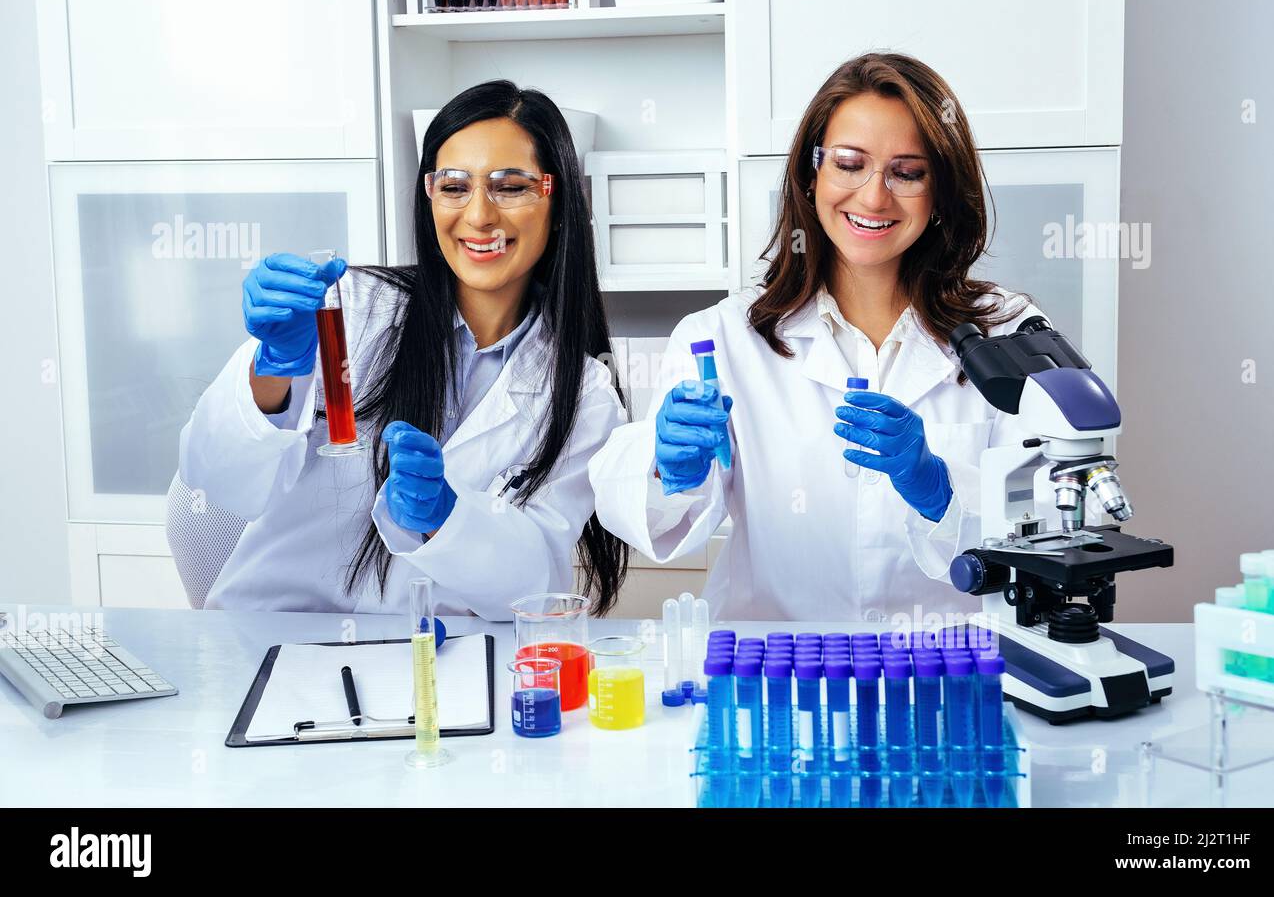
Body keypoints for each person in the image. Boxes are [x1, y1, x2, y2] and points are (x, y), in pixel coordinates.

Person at [590, 52, 1055, 622]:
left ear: (940, 194)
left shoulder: (1007, 332)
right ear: (812, 176)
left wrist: (942, 491)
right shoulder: (725, 338)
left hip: (943, 677)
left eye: (907, 172)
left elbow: (1052, 525)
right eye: (849, 163)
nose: (874, 196)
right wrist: (665, 466)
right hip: (779, 678)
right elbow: (659, 521)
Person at [180, 80, 627, 619]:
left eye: (510, 187)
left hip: (444, 665)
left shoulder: (584, 396)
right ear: (429, 196)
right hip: (281, 639)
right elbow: (219, 483)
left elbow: (531, 580)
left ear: (558, 203)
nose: (480, 215)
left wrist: (447, 517)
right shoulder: (349, 309)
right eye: (454, 186)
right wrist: (271, 370)